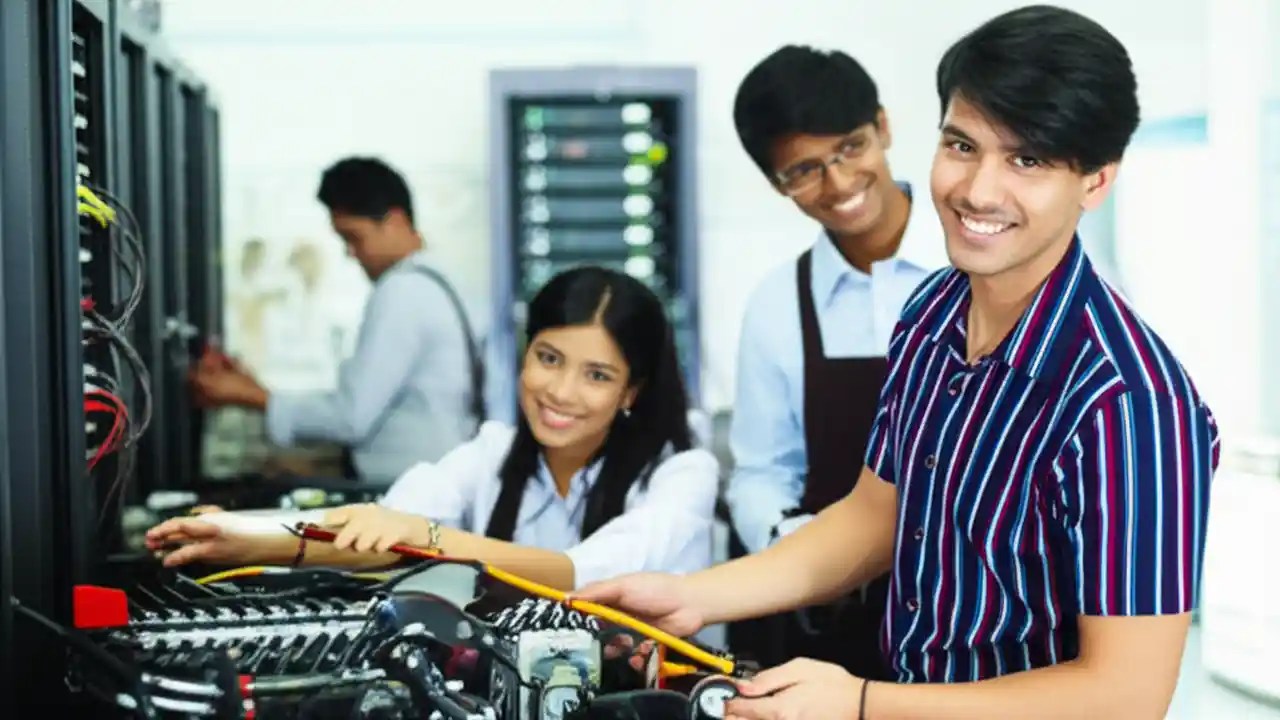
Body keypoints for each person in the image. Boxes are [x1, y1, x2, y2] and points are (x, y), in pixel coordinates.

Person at [575, 7, 1220, 719]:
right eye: (962, 145)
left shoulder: (1132, 406)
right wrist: (693, 595)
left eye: (1028, 160)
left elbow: (1125, 695)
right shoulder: (931, 314)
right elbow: (874, 517)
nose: (978, 190)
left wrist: (860, 702)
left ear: (1095, 182)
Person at [148, 266, 719, 591]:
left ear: (631, 391)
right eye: (548, 359)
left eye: (596, 375)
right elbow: (383, 530)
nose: (561, 392)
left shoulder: (683, 474)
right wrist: (248, 536)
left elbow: (583, 571)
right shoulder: (493, 452)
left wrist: (430, 540)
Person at [723, 45, 946, 677]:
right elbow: (761, 471)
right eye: (805, 170)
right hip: (832, 628)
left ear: (883, 127)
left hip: (974, 612)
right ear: (777, 184)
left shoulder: (982, 263)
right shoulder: (776, 305)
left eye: (851, 148)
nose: (840, 183)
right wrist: (793, 540)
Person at [189, 157, 485, 483]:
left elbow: (350, 418)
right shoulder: (442, 280)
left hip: (409, 490)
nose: (350, 253)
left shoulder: (403, 291)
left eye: (353, 238)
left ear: (395, 221)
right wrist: (255, 391)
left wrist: (252, 396)